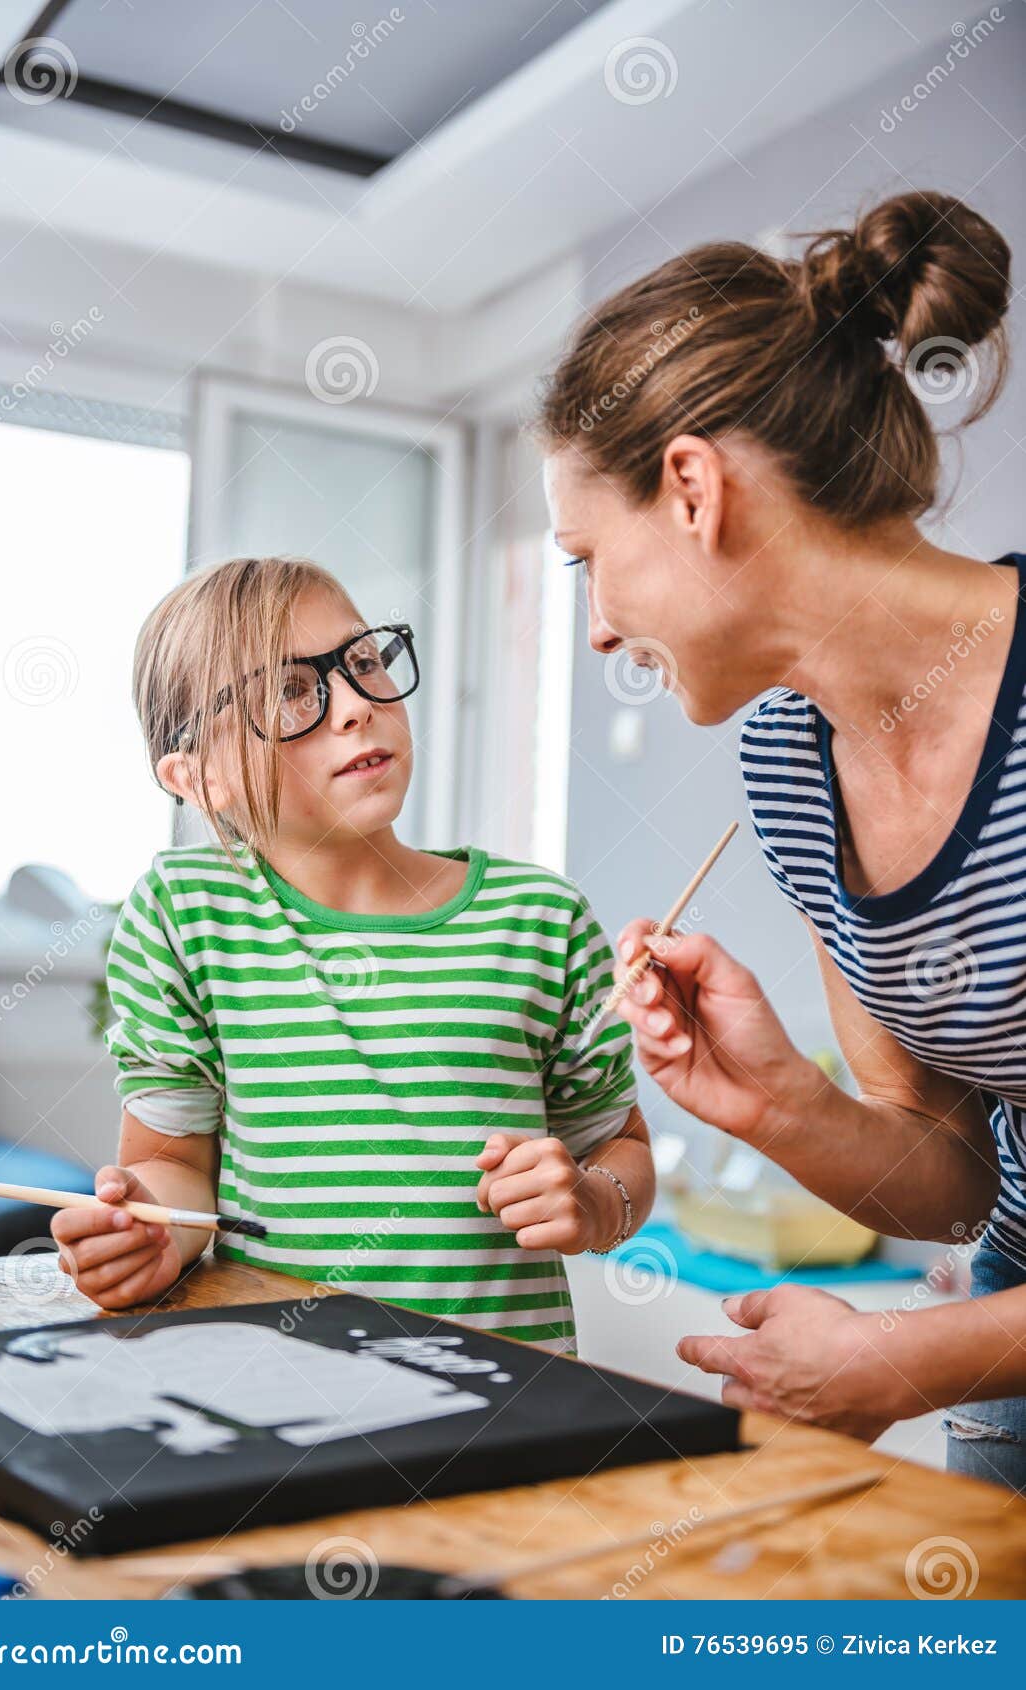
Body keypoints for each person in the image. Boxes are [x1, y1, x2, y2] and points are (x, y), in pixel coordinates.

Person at [537, 187, 1026, 1487]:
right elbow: (955, 1178)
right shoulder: (787, 764)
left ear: (692, 488)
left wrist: (903, 1358)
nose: (596, 625)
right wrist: (778, 1103)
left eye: (589, 553)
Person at [51, 555, 652, 1353]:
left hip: (509, 1407)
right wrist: (158, 1234)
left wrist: (596, 1203)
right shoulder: (185, 913)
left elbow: (624, 1151)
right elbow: (173, 1169)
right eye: (290, 691)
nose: (358, 705)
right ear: (198, 779)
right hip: (276, 1394)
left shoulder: (539, 918)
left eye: (362, 661)